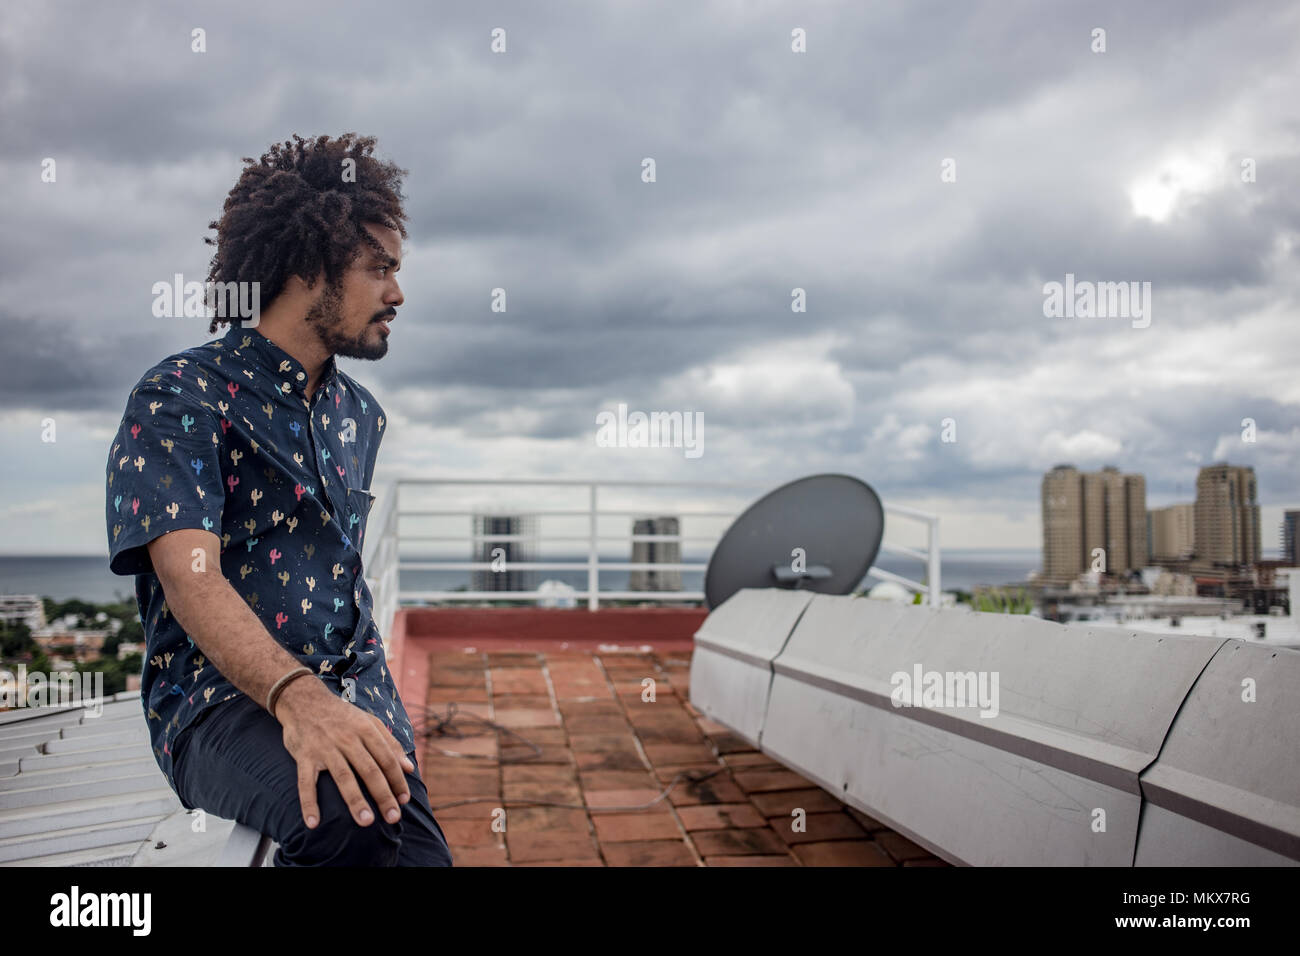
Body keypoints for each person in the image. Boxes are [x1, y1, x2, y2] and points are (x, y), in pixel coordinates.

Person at [104, 133, 452, 866]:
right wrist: (300, 699)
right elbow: (187, 575)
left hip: (355, 705)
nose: (398, 293)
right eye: (380, 268)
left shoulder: (359, 414)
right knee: (343, 818)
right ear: (307, 268)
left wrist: (367, 715)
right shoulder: (179, 395)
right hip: (217, 706)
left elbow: (341, 582)